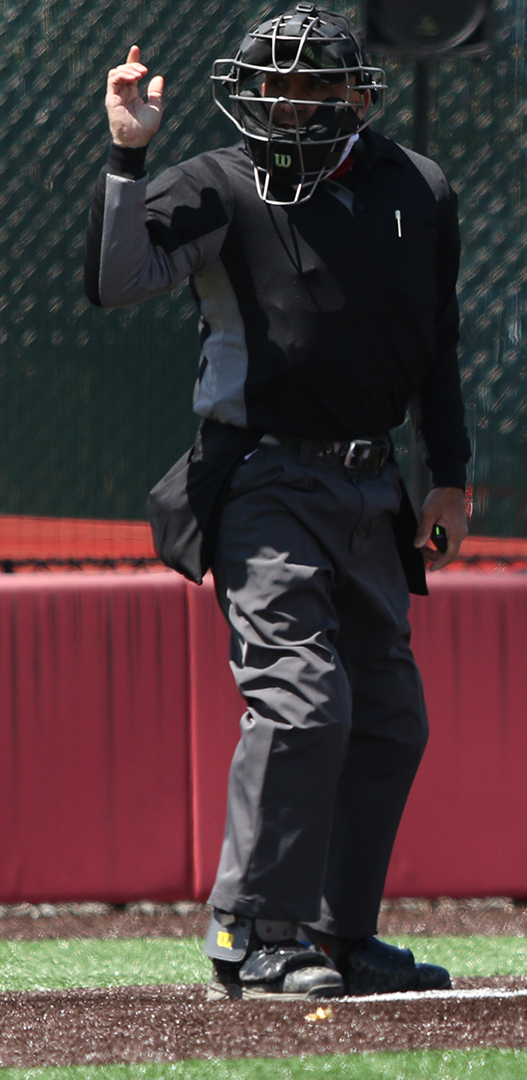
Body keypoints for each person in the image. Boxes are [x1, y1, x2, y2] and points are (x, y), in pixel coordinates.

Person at [86, 5, 468, 1000]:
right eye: (274, 83)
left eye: (311, 84)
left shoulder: (418, 188)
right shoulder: (217, 180)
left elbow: (437, 347)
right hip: (261, 477)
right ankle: (251, 930)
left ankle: (340, 936)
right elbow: (117, 277)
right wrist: (128, 157)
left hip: (373, 486)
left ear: (357, 95)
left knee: (389, 719)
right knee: (303, 704)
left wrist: (451, 475)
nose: (288, 102)